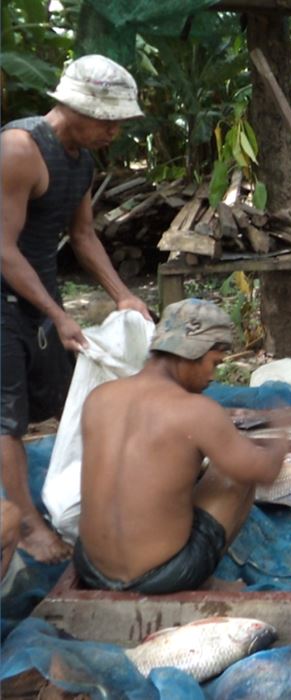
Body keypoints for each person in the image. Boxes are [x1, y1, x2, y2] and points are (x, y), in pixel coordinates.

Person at [1, 55, 152, 563]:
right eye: (107, 119)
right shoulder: (19, 149)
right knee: (6, 417)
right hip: (5, 297)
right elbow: (3, 248)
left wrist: (122, 295)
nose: (114, 130)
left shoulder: (81, 161)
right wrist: (58, 314)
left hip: (36, 295)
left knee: (72, 399)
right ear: (73, 106)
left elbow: (82, 234)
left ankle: (78, 493)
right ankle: (24, 524)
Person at [74, 299, 290, 594]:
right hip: (159, 577)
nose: (213, 377)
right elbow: (264, 471)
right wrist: (282, 434)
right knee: (235, 474)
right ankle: (203, 582)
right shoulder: (196, 411)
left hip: (90, 568)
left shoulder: (99, 397)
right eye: (213, 363)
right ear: (192, 353)